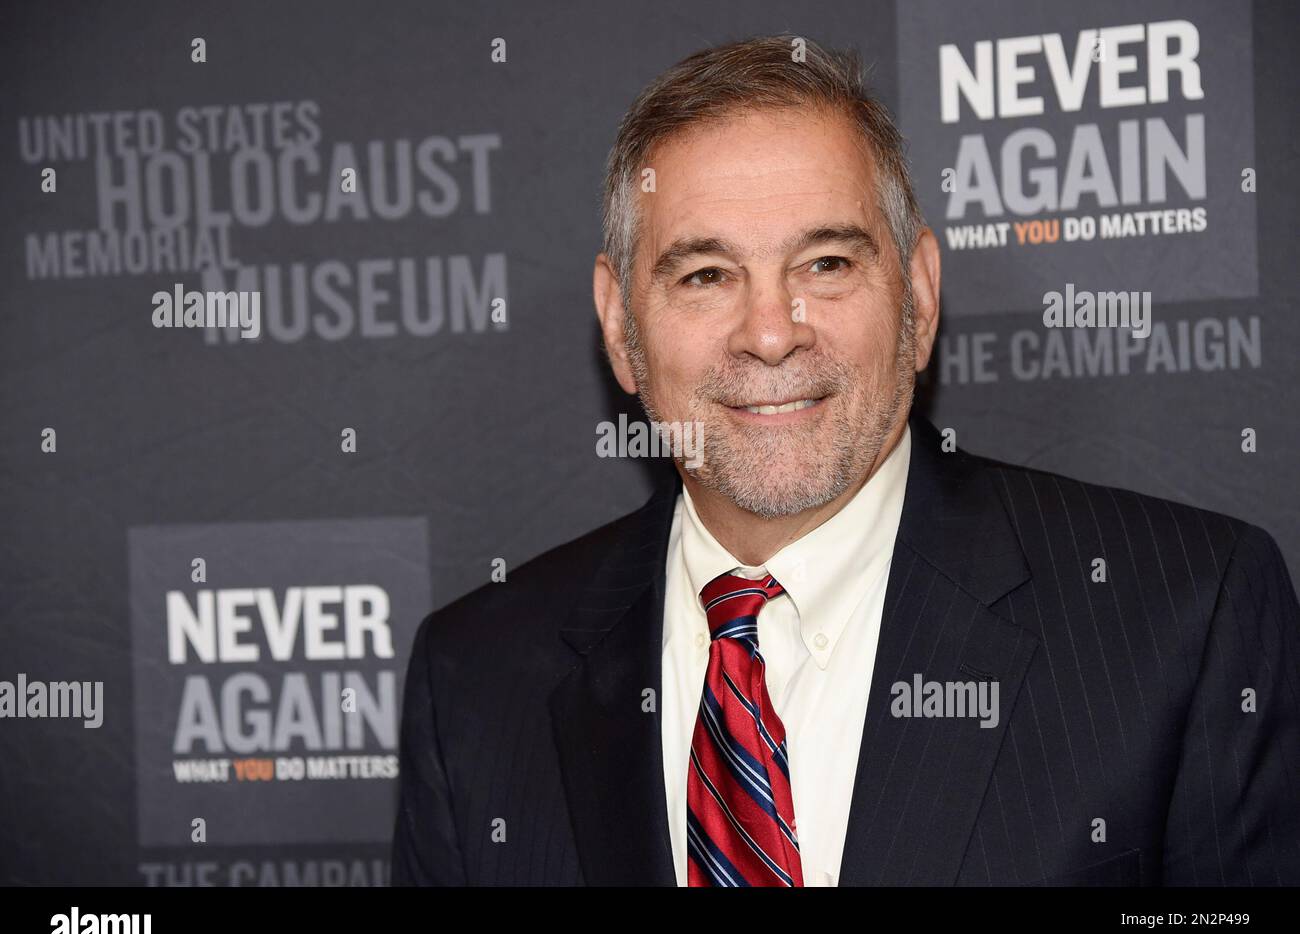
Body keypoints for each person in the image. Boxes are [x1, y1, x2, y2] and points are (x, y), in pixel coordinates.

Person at [392, 34, 1300, 886]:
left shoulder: (1183, 619)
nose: (771, 333)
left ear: (919, 296)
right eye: (705, 275)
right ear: (621, 328)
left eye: (825, 263)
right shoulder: (474, 682)